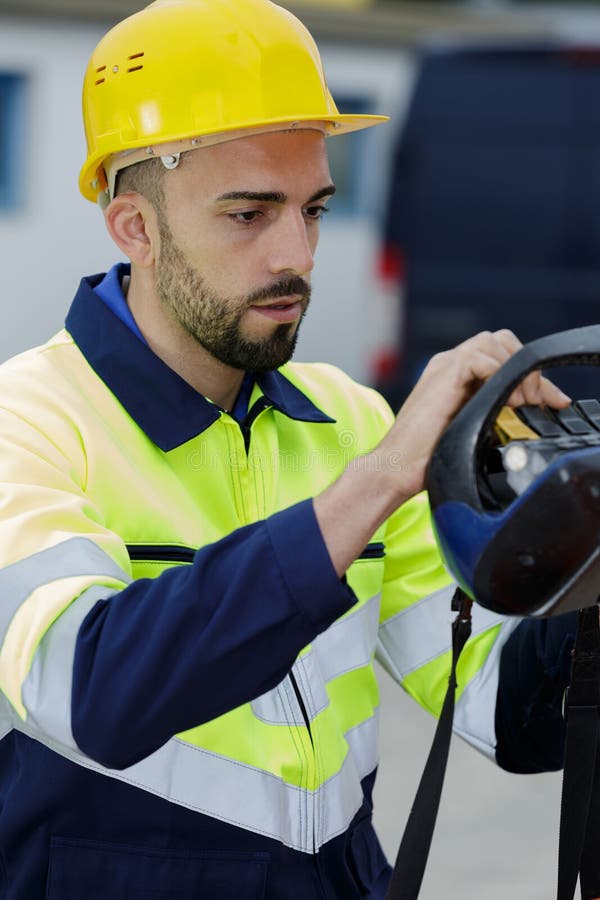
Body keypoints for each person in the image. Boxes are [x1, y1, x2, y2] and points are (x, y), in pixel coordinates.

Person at [0, 0, 578, 896]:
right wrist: (377, 485)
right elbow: (94, 692)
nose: (297, 253)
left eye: (313, 208)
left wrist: (582, 549)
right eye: (248, 215)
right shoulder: (28, 420)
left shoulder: (347, 417)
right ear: (134, 230)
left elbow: (507, 709)